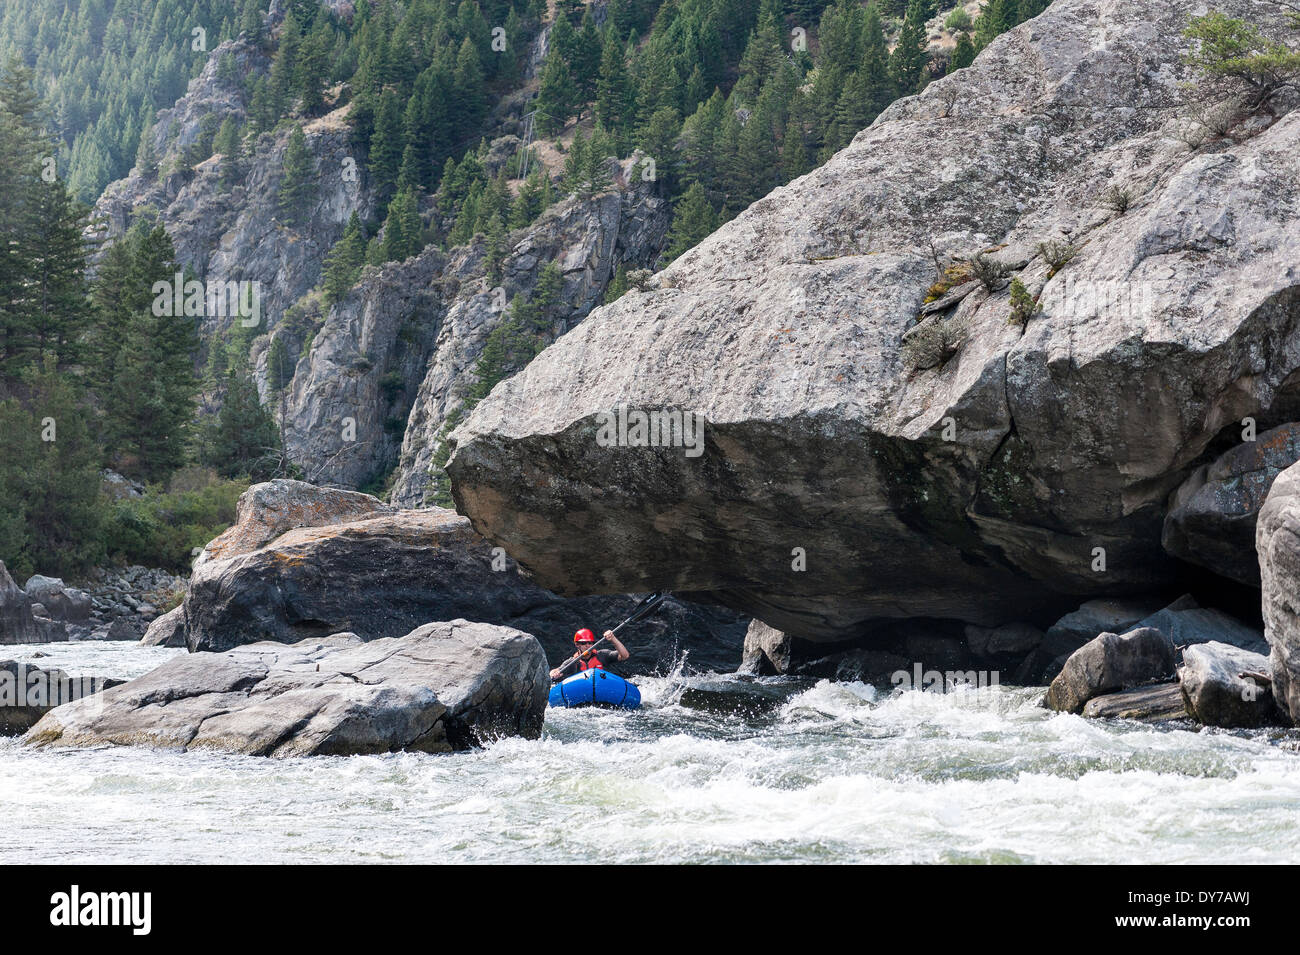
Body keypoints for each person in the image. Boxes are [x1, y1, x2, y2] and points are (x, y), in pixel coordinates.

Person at [549, 628, 629, 681]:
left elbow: (625, 655)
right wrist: (553, 673)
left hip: (602, 687)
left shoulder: (602, 655)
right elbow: (556, 670)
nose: (588, 645)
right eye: (584, 643)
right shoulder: (572, 662)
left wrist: (613, 639)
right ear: (577, 645)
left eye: (590, 643)